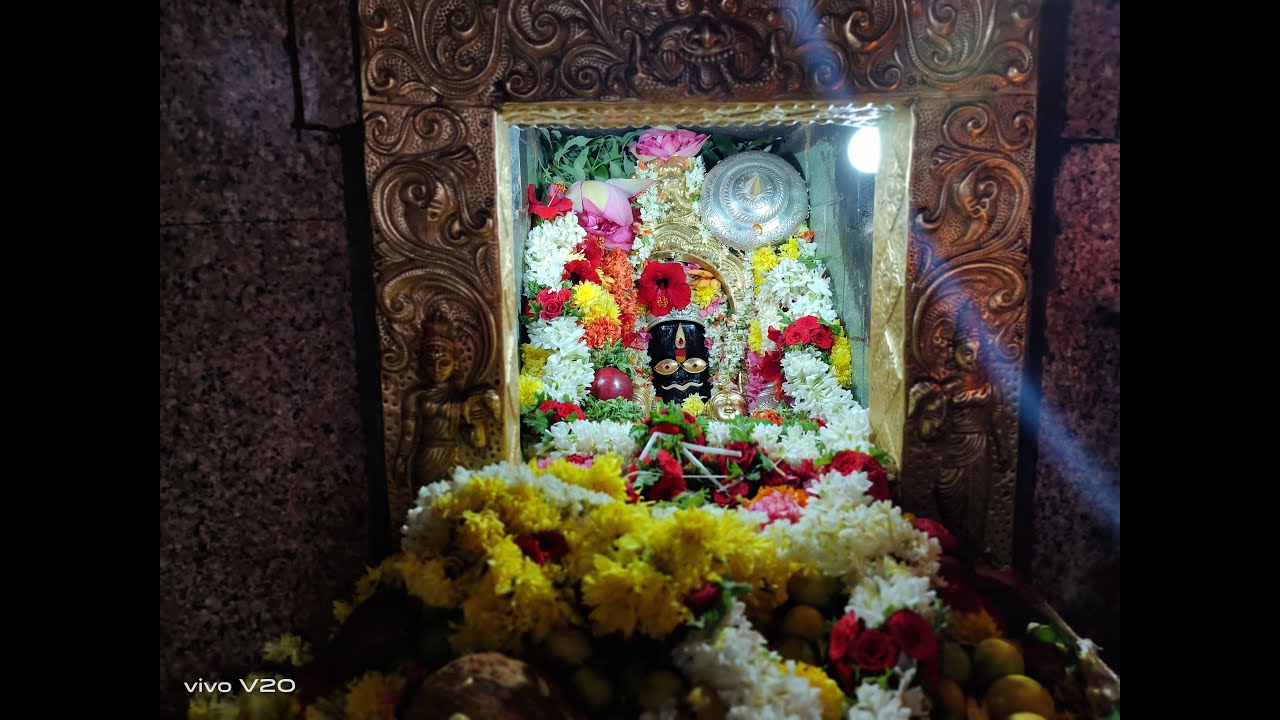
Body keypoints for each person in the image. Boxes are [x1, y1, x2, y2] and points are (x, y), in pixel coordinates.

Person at [394, 319, 500, 490]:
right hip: (423, 458)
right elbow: (407, 435)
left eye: (444, 363)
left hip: (452, 456)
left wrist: (472, 418)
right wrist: (401, 459)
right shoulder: (415, 396)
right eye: (430, 363)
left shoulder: (463, 397)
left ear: (455, 363)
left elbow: (479, 442)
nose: (436, 369)